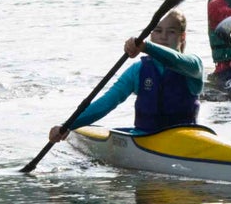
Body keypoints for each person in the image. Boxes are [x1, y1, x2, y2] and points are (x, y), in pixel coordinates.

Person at [49, 10, 203, 142]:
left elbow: (175, 60)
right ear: (150, 35)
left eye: (171, 31)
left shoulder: (193, 65)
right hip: (144, 138)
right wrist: (67, 126)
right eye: (157, 30)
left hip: (186, 139)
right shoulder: (137, 70)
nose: (163, 37)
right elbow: (107, 102)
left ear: (182, 36)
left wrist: (146, 46)